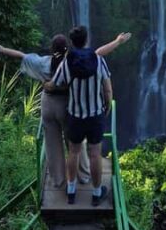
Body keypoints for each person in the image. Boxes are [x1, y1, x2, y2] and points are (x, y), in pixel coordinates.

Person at [0, 31, 131, 189]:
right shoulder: (72, 63)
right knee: (75, 144)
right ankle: (83, 175)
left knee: (51, 143)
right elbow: (97, 54)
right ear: (67, 48)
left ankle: (58, 179)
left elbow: (22, 55)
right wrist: (117, 41)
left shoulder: (42, 63)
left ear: (51, 49)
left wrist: (1, 49)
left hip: (48, 105)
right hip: (67, 106)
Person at [48, 25, 130, 206]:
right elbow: (108, 89)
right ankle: (95, 192)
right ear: (86, 39)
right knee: (95, 154)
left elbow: (56, 83)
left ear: (72, 42)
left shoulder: (67, 62)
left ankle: (71, 190)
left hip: (75, 115)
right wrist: (107, 106)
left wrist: (46, 86)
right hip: (95, 116)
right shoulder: (98, 60)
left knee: (74, 152)